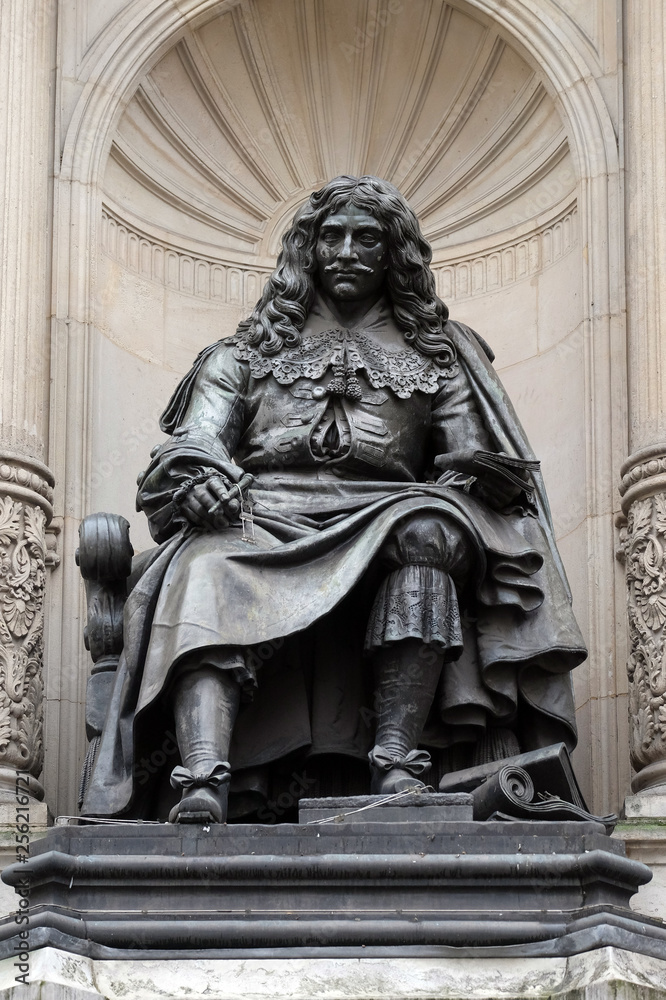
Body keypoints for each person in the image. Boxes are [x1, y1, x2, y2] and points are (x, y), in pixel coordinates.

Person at [81, 176, 586, 824]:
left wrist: (471, 481)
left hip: (391, 511)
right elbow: (196, 441)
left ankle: (396, 760)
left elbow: (472, 459)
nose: (347, 251)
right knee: (204, 563)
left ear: (393, 253)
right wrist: (200, 479)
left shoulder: (439, 357)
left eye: (367, 238)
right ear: (309, 249)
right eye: (332, 236)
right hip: (261, 514)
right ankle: (202, 776)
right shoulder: (245, 353)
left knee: (430, 529)